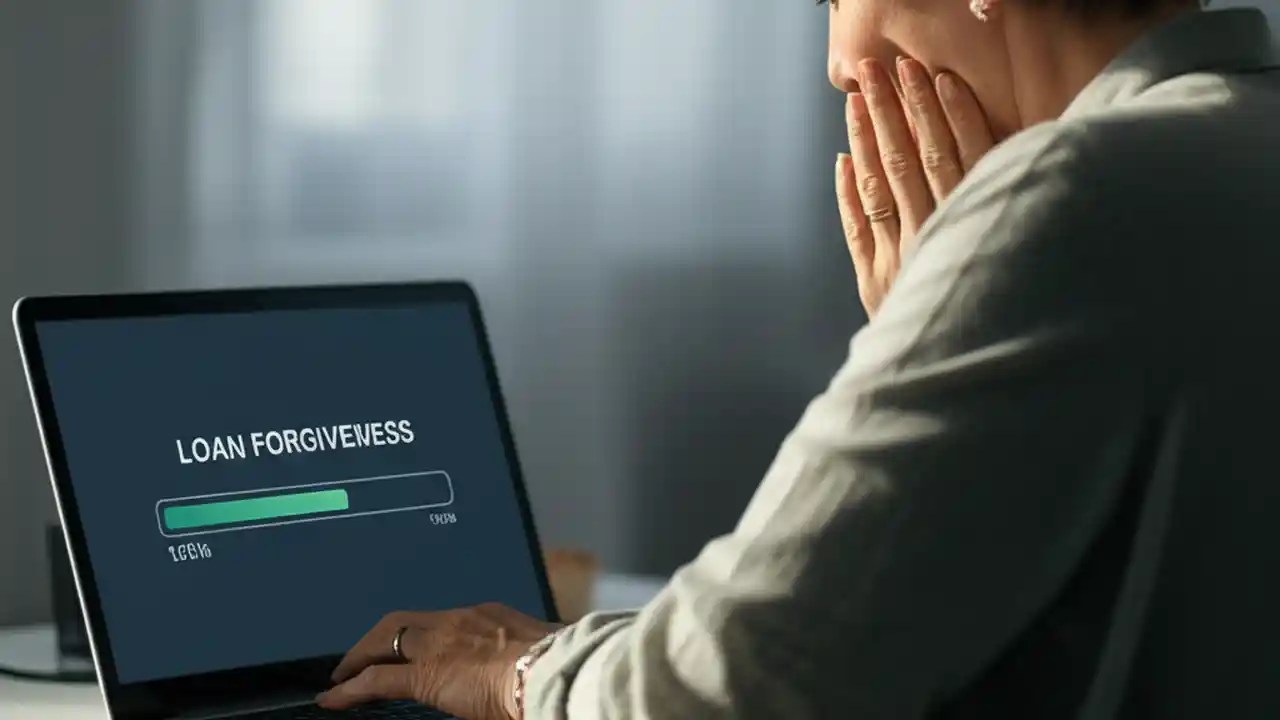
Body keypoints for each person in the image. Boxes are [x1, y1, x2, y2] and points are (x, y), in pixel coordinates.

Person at [317, 0, 1280, 717]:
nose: (834, 62)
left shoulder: (1071, 197)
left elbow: (728, 689)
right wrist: (943, 314)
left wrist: (517, 669)